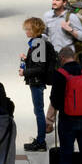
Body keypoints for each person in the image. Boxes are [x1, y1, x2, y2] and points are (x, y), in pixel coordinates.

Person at [20, 17, 57, 152]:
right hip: (37, 81)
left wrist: (24, 72)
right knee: (38, 111)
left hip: (37, 81)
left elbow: (40, 68)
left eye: (28, 29)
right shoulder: (39, 42)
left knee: (39, 111)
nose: (26, 32)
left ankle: (41, 142)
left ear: (35, 30)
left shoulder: (38, 44)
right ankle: (40, 139)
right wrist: (27, 59)